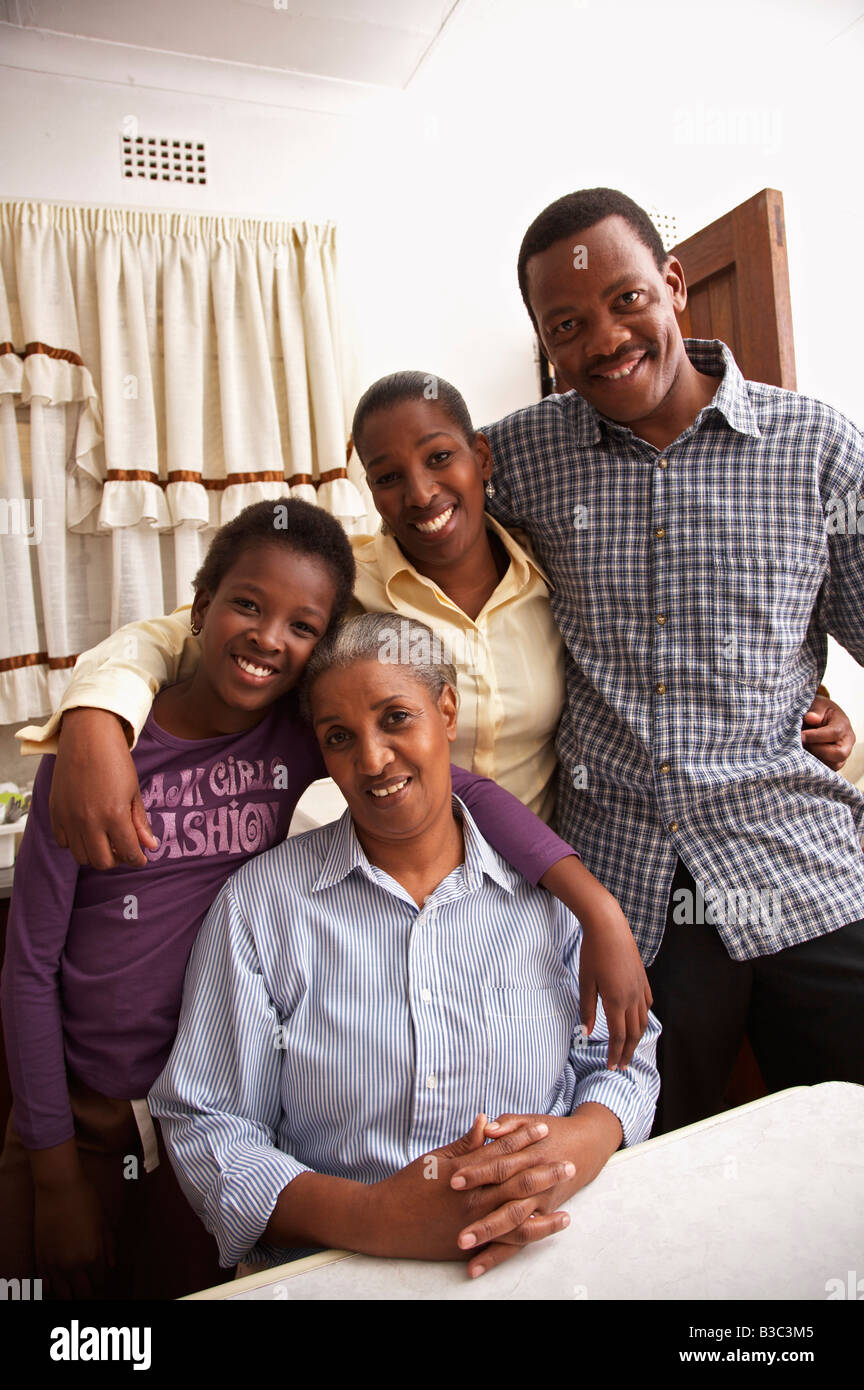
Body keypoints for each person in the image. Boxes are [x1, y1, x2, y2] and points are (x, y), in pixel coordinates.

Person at [16, 373, 852, 1068]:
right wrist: (95, 712)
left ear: (480, 458)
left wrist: (792, 703)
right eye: (386, 475)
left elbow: (654, 657)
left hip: (535, 895)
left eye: (439, 458)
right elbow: (184, 633)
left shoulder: (552, 567)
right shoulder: (346, 591)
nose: (418, 493)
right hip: (394, 895)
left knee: (578, 1089)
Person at [0, 499, 593, 1300]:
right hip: (86, 1119)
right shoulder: (95, 760)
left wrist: (593, 907)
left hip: (200, 1117)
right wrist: (54, 1169)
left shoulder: (293, 732)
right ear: (199, 609)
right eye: (247, 605)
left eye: (301, 626)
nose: (268, 638)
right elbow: (28, 970)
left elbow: (458, 785)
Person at [478, 186, 864, 1133]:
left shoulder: (815, 448)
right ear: (545, 343)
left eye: (626, 300)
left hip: (802, 871)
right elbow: (349, 573)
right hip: (626, 909)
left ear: (675, 284)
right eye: (567, 325)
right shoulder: (516, 458)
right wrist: (117, 692)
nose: (605, 339)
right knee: (654, 1189)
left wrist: (816, 702)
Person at [149, 614, 661, 1280]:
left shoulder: (548, 896)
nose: (372, 760)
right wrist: (370, 1216)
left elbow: (624, 1055)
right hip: (336, 1270)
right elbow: (208, 1123)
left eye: (396, 718)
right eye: (340, 738)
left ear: (446, 710)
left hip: (546, 1257)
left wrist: (581, 1142)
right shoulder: (263, 906)